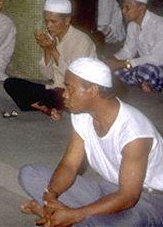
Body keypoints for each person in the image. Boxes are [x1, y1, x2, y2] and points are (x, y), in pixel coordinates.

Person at [18, 58, 163, 226]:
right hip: (107, 190)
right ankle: (62, 214)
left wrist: (76, 214)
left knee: (125, 223)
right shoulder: (82, 115)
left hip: (147, 200)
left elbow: (128, 197)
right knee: (30, 174)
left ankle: (66, 217)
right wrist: (50, 196)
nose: (64, 94)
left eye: (70, 88)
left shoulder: (134, 132)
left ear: (93, 90)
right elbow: (70, 165)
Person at [4, 0, 97, 120]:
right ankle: (47, 108)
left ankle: (44, 106)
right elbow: (47, 75)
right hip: (56, 89)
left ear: (67, 20)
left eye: (53, 22)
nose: (48, 26)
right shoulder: (53, 38)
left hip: (76, 92)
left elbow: (73, 78)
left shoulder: (82, 41)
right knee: (11, 83)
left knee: (57, 96)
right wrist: (47, 49)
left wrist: (53, 49)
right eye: (46, 21)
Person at [107, 0, 163, 92]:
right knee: (113, 69)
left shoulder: (159, 25)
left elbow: (157, 59)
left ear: (142, 9)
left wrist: (122, 64)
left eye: (127, 7)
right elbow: (128, 51)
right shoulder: (132, 25)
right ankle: (145, 82)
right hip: (144, 65)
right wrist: (112, 59)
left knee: (147, 70)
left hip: (158, 66)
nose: (123, 11)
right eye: (123, 7)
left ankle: (145, 80)